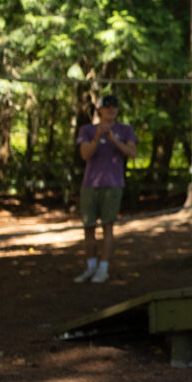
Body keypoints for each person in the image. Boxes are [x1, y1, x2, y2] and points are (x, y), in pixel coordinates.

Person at [73, 94, 138, 284]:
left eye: (115, 105)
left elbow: (132, 153)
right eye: (107, 106)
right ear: (99, 109)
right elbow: (85, 154)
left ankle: (103, 269)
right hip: (90, 185)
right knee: (89, 227)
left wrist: (113, 139)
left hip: (113, 184)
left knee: (108, 226)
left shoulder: (125, 130)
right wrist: (97, 137)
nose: (112, 109)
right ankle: (91, 267)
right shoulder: (87, 130)